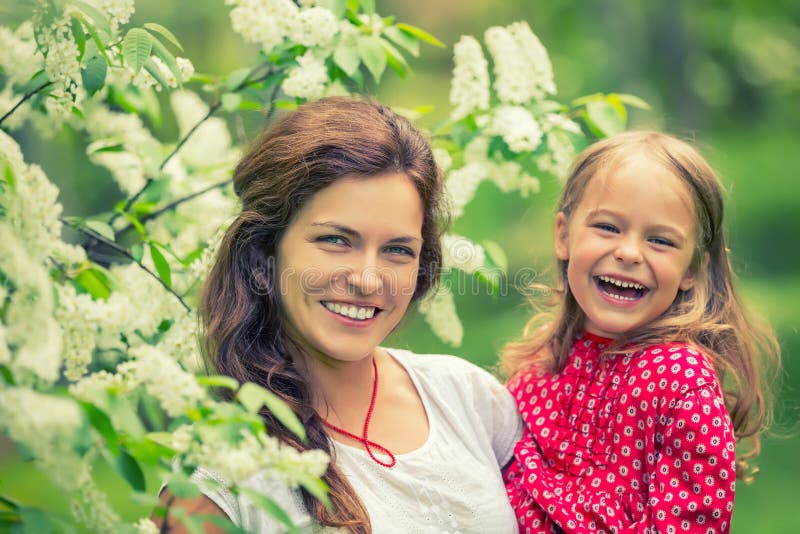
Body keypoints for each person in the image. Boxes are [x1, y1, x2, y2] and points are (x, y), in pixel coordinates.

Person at [158, 97, 523, 533]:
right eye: (335, 240)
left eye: (397, 249)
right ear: (263, 253)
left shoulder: (470, 399)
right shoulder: (215, 480)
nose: (368, 279)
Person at [501, 131, 780, 533]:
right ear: (563, 235)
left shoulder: (681, 384)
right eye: (608, 227)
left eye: (660, 240)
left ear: (693, 270)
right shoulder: (537, 373)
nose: (629, 253)